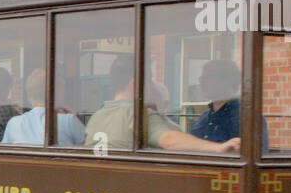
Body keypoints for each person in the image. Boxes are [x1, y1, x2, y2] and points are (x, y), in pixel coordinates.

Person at [83, 55, 240, 153]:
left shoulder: (97, 116)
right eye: (149, 80)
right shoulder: (139, 115)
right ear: (136, 83)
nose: (152, 85)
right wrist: (219, 148)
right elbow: (169, 140)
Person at [2, 68, 86, 145]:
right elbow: (90, 150)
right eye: (62, 86)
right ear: (57, 91)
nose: (65, 91)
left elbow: (4, 152)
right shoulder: (68, 120)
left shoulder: (13, 123)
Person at [189, 59, 242, 143]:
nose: (202, 82)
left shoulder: (244, 117)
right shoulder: (204, 118)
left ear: (228, 81)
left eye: (208, 78)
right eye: (202, 78)